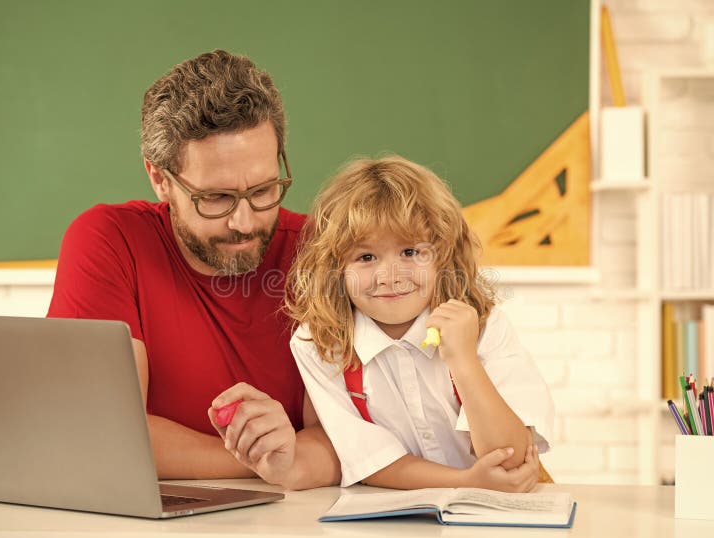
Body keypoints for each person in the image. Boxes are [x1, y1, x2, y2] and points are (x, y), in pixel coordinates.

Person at [47, 49, 338, 483]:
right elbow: (105, 430)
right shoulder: (109, 241)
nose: (244, 223)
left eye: (263, 190)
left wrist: (300, 455)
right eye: (216, 198)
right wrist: (270, 460)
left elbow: (364, 439)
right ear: (160, 179)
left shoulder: (324, 251)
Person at [278, 155, 554, 489]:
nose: (389, 276)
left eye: (410, 252)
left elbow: (510, 458)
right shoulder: (320, 345)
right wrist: (466, 482)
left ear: (443, 256)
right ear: (335, 269)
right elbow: (370, 461)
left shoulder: (484, 327)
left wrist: (464, 362)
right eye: (366, 257)